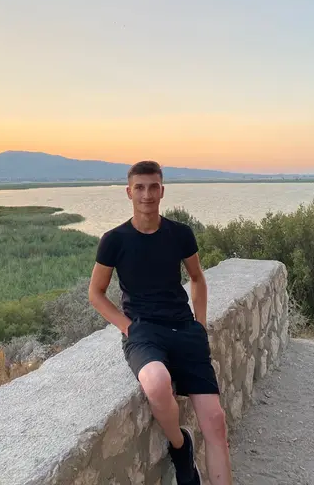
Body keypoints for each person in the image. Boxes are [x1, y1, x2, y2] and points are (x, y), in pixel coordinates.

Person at [89, 160, 233, 484]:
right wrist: (127, 326)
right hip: (143, 332)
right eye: (139, 187)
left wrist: (201, 324)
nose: (147, 194)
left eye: (153, 187)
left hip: (185, 329)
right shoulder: (114, 240)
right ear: (129, 192)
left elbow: (197, 278)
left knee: (216, 422)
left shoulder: (180, 234)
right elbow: (96, 293)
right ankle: (181, 448)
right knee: (155, 382)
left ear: (162, 191)